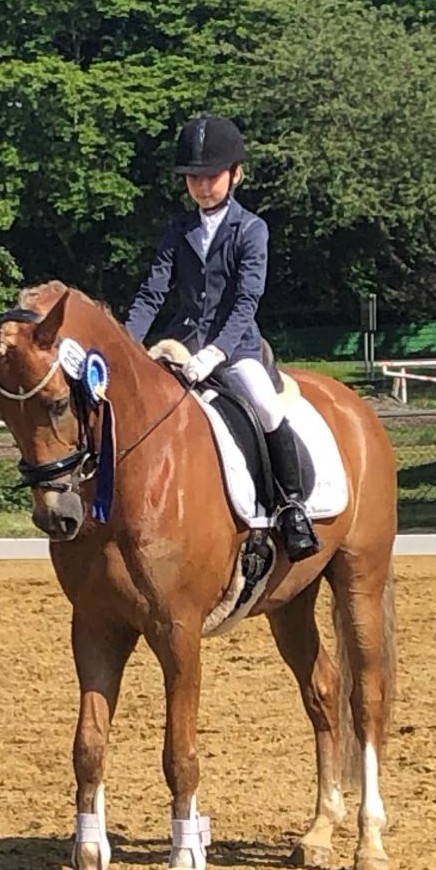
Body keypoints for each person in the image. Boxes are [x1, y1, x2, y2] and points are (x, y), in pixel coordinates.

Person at [124, 114, 320, 562]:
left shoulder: (251, 229)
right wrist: (126, 346)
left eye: (211, 176)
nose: (202, 186)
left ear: (235, 174)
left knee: (266, 407)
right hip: (180, 346)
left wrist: (216, 352)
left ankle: (292, 508)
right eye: (194, 178)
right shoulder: (178, 230)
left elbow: (247, 300)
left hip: (234, 348)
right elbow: (153, 292)